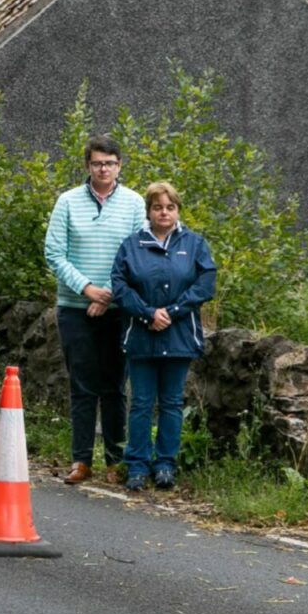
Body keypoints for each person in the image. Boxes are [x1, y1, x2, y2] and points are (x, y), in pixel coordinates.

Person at [43, 137, 147, 485]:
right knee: (83, 385)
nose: (104, 169)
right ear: (87, 166)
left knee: (115, 387)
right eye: (98, 163)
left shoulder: (134, 204)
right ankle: (81, 460)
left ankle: (116, 461)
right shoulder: (68, 202)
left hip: (118, 310)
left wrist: (107, 297)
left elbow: (137, 254)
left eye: (110, 163)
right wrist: (88, 290)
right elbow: (54, 253)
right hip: (75, 308)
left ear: (120, 165)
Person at [110, 181, 217, 491]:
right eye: (158, 207)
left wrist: (172, 311)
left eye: (170, 207)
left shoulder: (195, 244)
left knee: (171, 403)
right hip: (141, 337)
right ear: (149, 211)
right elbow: (119, 285)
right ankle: (137, 466)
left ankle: (166, 465)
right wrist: (147, 313)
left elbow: (205, 284)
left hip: (180, 335)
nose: (164, 212)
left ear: (177, 210)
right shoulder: (131, 245)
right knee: (141, 403)